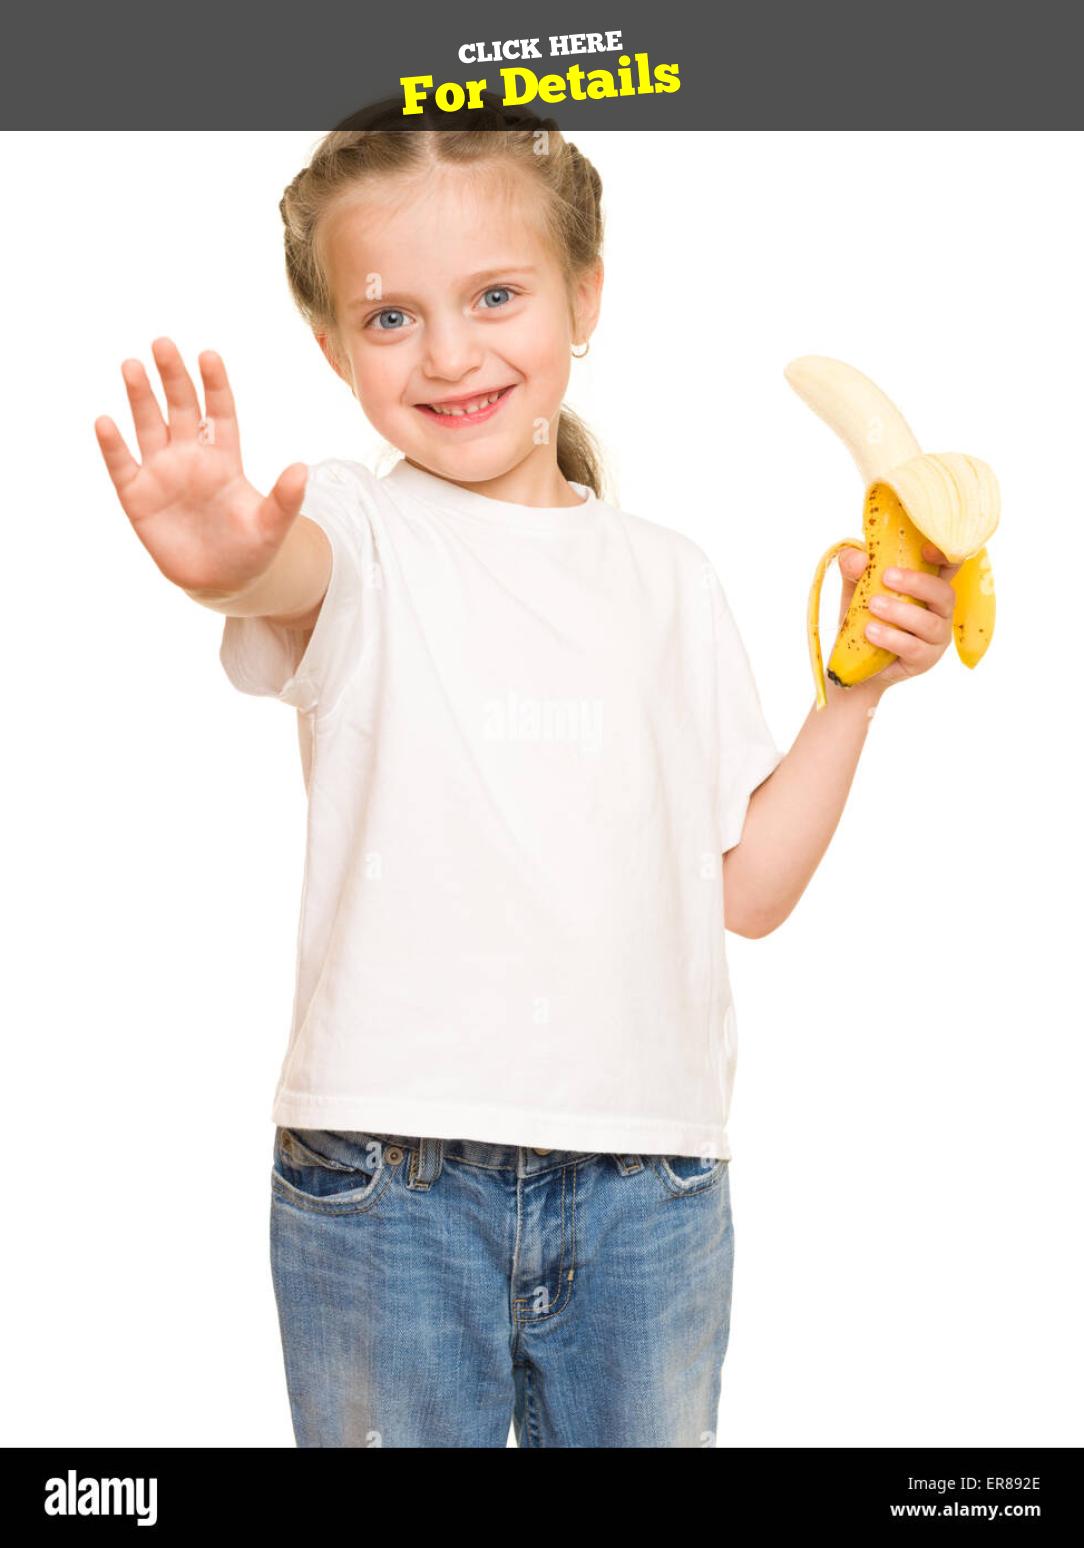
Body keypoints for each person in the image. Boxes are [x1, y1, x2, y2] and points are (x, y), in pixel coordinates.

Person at [94, 101, 962, 1448]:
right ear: (331, 345)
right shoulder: (354, 527)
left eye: (496, 295)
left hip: (652, 1191)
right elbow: (282, 573)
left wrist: (850, 698)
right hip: (389, 1187)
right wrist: (222, 560)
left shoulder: (669, 579)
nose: (449, 353)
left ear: (585, 295)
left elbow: (749, 891)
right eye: (390, 318)